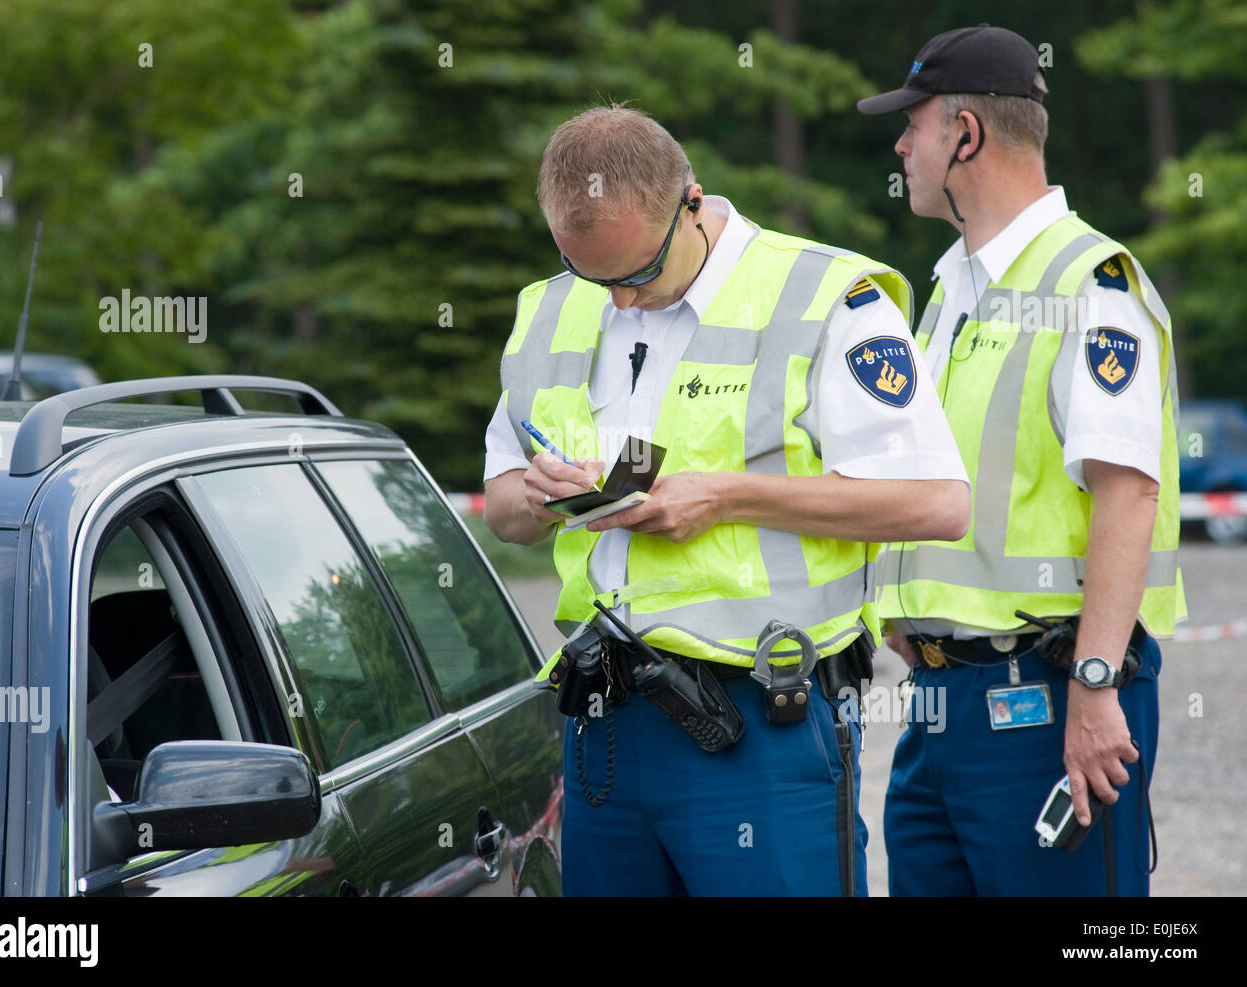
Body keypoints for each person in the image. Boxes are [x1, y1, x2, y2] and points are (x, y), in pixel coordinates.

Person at [483, 104, 970, 896]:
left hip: (762, 726)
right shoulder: (549, 308)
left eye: (637, 274)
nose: (622, 303)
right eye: (591, 275)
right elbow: (502, 506)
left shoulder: (824, 295)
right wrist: (540, 500)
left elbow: (937, 503)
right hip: (604, 723)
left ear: (693, 203)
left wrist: (725, 496)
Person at [858, 25, 1186, 896]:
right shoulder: (950, 292)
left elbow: (1129, 492)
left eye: (913, 124)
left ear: (966, 134)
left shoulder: (1090, 283)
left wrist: (1093, 682)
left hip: (1050, 694)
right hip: (940, 704)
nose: (900, 146)